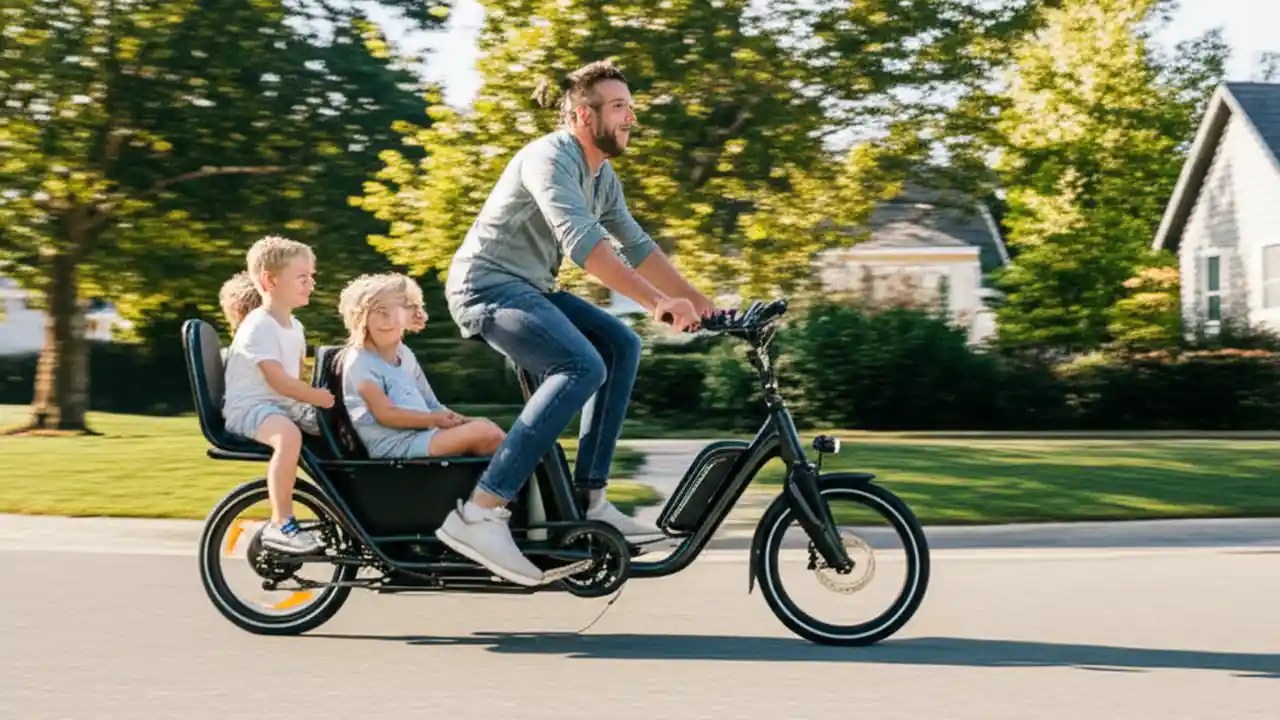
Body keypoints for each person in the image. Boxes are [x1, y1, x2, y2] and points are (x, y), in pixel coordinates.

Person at [438, 59, 715, 586]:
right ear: (583, 116)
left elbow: (636, 244)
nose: (631, 117)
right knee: (579, 364)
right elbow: (585, 247)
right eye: (619, 107)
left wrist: (704, 305)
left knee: (620, 345)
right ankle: (480, 512)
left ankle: (591, 500)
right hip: (486, 285)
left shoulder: (601, 174)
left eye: (631, 107)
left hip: (532, 287)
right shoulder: (550, 158)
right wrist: (659, 302)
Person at [221, 235, 334, 554]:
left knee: (341, 427)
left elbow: (294, 378)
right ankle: (280, 522)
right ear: (270, 281)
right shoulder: (259, 326)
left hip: (281, 405)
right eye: (302, 277)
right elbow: (280, 381)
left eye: (312, 276)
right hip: (252, 408)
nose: (311, 283)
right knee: (287, 437)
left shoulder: (294, 327)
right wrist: (317, 397)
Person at [338, 272, 505, 459]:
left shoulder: (405, 354)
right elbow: (385, 414)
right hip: (395, 447)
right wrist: (434, 420)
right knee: (484, 433)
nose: (386, 320)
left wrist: (460, 420)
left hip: (423, 436)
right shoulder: (359, 361)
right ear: (361, 316)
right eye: (378, 312)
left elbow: (432, 404)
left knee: (487, 429)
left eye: (394, 311)